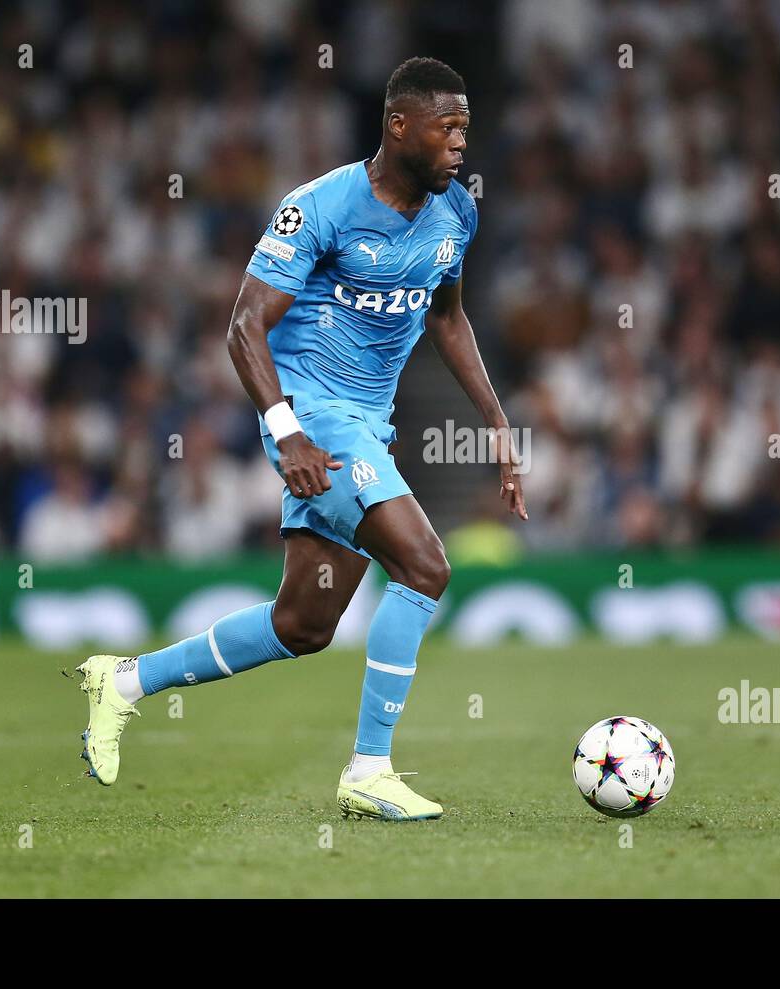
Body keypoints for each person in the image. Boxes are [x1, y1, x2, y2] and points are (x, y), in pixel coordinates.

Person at [73, 57, 527, 821]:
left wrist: (495, 417)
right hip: (313, 413)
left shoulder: (457, 213)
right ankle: (370, 768)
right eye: (447, 128)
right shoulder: (320, 206)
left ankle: (120, 682)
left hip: (367, 424)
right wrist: (287, 434)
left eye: (466, 130)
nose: (459, 145)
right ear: (399, 125)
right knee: (424, 565)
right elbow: (243, 325)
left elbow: (446, 316)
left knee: (304, 624)